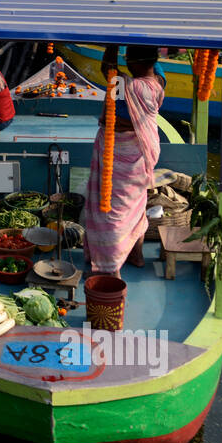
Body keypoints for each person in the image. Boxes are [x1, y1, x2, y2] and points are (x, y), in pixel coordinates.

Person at [83, 45, 166, 277]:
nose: (125, 62)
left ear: (134, 62)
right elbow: (151, 60)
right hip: (143, 153)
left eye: (127, 58)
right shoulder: (159, 81)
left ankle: (110, 268)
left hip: (119, 152)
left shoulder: (130, 86)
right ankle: (136, 255)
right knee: (136, 204)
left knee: (112, 210)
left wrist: (113, 42)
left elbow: (107, 69)